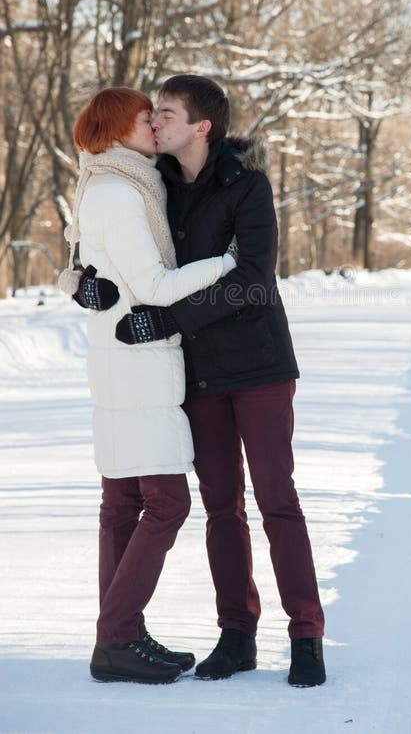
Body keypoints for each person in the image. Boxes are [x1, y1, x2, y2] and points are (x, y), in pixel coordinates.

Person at [78, 75, 326, 687]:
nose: (155, 122)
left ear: (201, 126)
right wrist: (77, 279)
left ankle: (306, 637)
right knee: (221, 507)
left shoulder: (247, 185)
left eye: (165, 113)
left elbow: (254, 281)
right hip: (200, 373)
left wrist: (168, 317)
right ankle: (237, 635)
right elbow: (104, 233)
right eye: (153, 115)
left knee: (277, 503)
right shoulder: (155, 184)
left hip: (261, 367)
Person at [59, 87, 237, 685]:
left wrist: (76, 282)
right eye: (145, 119)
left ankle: (119, 637)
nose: (154, 127)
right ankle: (117, 635)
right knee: (167, 502)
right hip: (137, 359)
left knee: (123, 504)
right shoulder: (120, 192)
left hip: (116, 358)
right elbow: (156, 285)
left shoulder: (111, 181)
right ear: (117, 130)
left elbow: (82, 266)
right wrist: (229, 262)